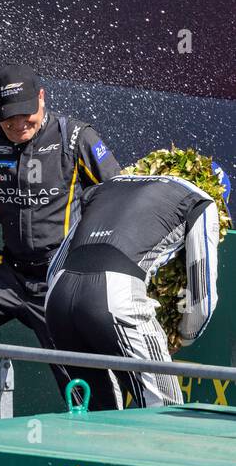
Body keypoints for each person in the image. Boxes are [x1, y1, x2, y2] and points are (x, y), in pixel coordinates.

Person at [0, 65, 120, 402]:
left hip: (59, 282)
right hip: (9, 274)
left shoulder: (76, 137)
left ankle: (96, 445)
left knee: (87, 392)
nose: (19, 124)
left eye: (27, 115)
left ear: (41, 97)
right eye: (9, 119)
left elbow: (116, 196)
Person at [46, 166, 227, 410]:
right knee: (164, 414)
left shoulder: (105, 187)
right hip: (116, 299)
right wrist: (182, 336)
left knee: (94, 418)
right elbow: (202, 297)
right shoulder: (201, 201)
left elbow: (54, 267)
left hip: (57, 299)